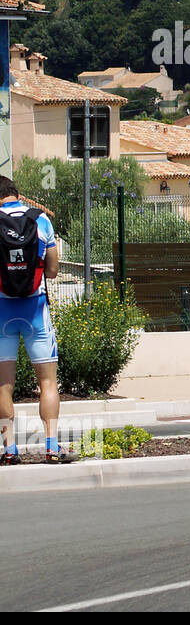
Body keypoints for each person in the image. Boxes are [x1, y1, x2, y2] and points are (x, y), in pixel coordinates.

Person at [0, 177, 60, 464]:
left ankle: (9, 450)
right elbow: (52, 271)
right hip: (36, 311)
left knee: (3, 386)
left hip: (2, 313)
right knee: (48, 383)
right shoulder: (41, 221)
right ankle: (51, 447)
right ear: (17, 195)